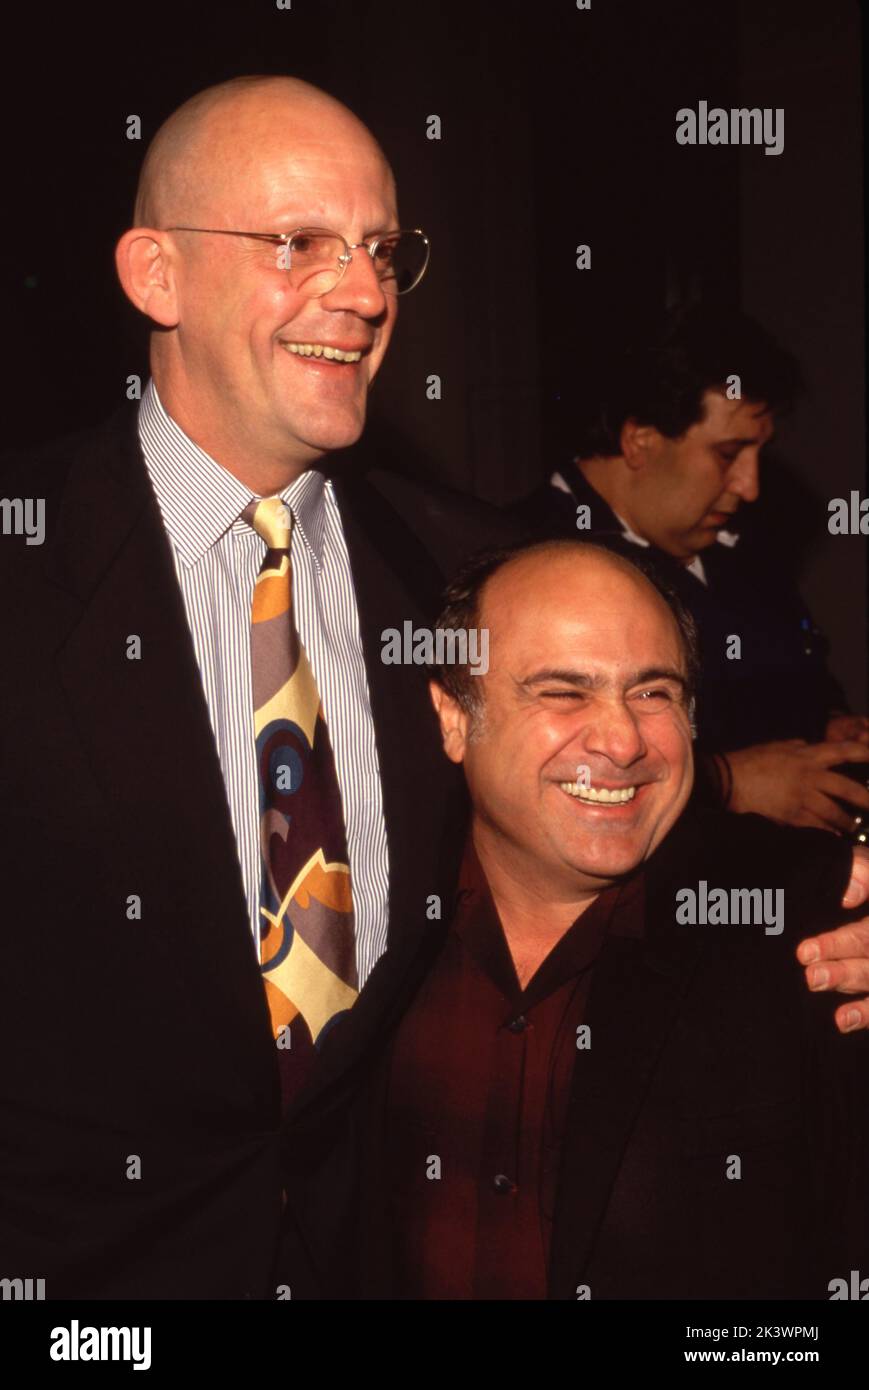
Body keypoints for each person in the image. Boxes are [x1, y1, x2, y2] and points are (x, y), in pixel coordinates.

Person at [0, 74, 513, 1299]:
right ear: (154, 275)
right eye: (300, 244)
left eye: (383, 250)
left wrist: (809, 899)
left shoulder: (457, 571)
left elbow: (593, 795)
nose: (366, 291)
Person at [280, 540, 869, 1300]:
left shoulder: (809, 920)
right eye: (562, 692)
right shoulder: (351, 918)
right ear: (454, 718)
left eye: (653, 692)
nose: (621, 740)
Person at [514, 306, 869, 835]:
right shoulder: (527, 562)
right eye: (728, 455)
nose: (751, 487)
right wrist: (725, 784)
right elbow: (529, 776)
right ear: (639, 440)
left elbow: (796, 679)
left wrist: (832, 728)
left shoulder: (740, 547)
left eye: (757, 454)